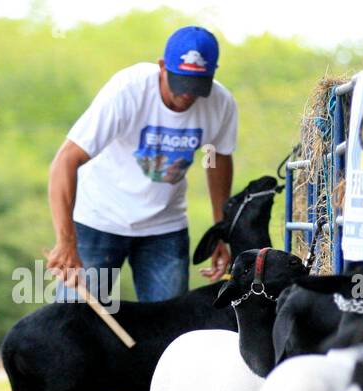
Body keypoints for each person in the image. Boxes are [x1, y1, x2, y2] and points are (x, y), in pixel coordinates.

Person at [45, 26, 237, 303]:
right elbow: (65, 161)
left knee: (169, 325)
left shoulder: (220, 105)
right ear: (162, 67)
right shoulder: (128, 92)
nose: (187, 96)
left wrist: (221, 231)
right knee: (73, 321)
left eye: (196, 87)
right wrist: (66, 241)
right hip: (99, 220)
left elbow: (213, 158)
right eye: (180, 84)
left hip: (164, 228)